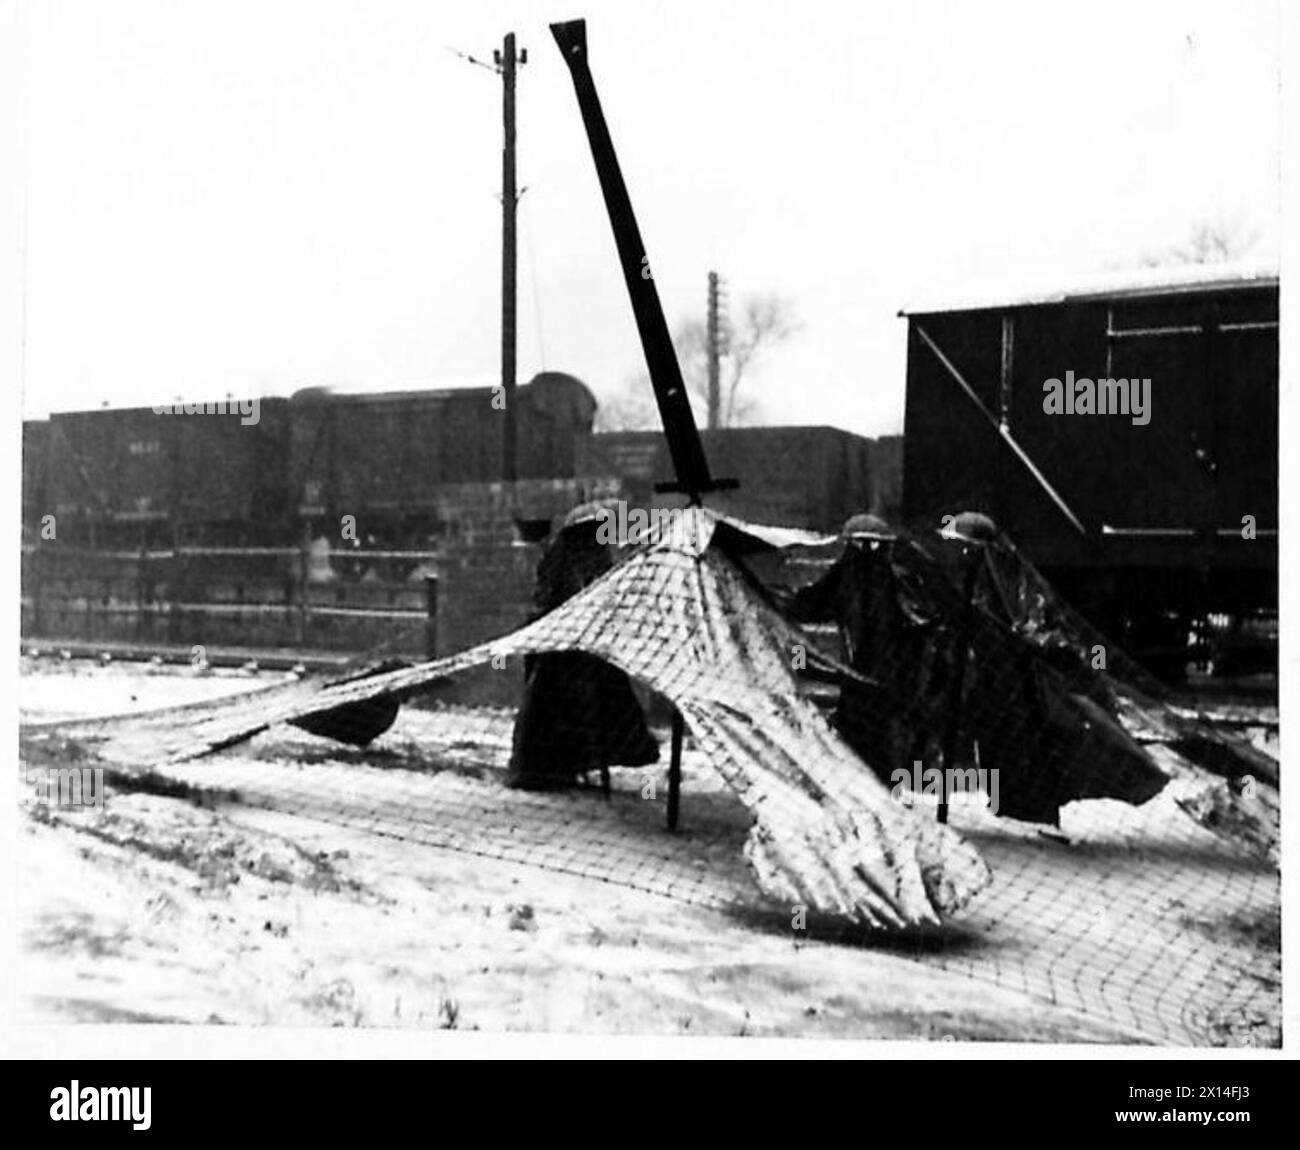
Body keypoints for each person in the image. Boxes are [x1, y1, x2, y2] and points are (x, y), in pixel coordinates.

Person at [506, 501, 659, 791]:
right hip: (562, 646)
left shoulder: (590, 556)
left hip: (580, 645)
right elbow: (551, 598)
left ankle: (576, 762)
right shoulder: (567, 555)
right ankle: (551, 768)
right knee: (556, 706)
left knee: (587, 704)